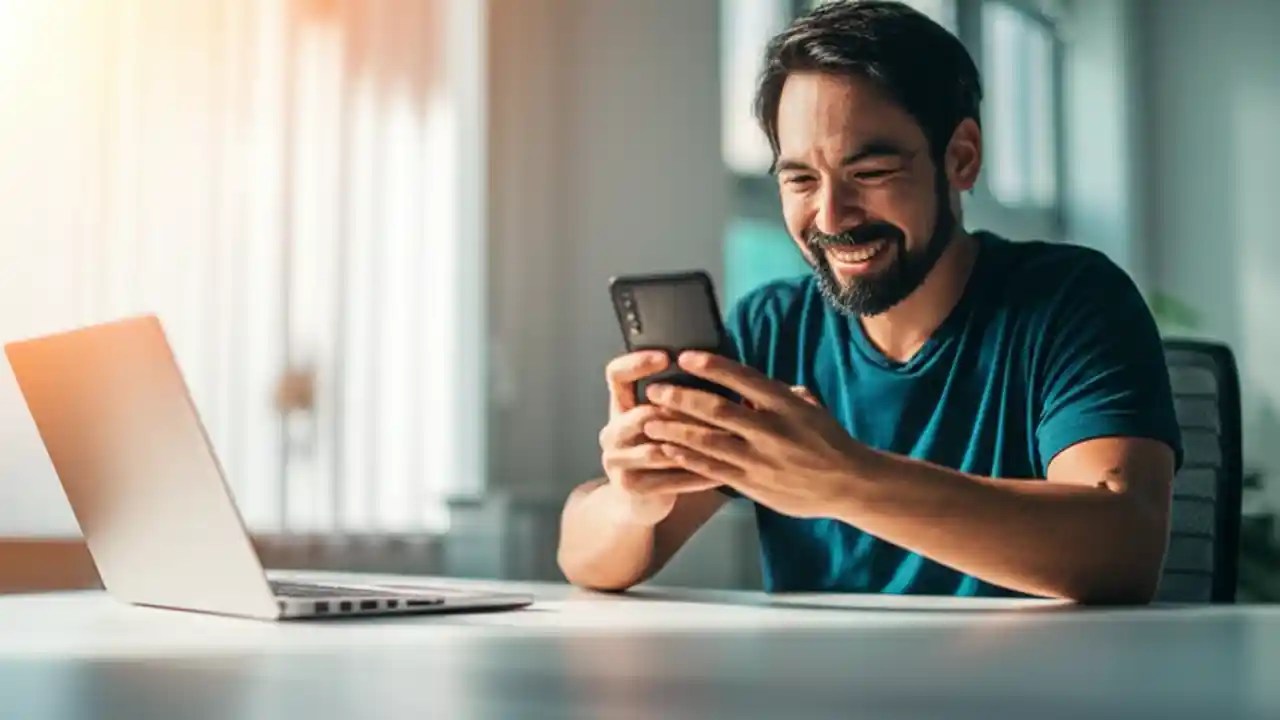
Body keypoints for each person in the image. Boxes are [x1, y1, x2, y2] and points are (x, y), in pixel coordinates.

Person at [556, 0, 1181, 603]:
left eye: (871, 173)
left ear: (961, 159)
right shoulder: (773, 328)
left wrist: (847, 481)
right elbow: (581, 559)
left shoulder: (1072, 301)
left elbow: (1124, 547)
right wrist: (635, 502)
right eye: (801, 179)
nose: (831, 217)